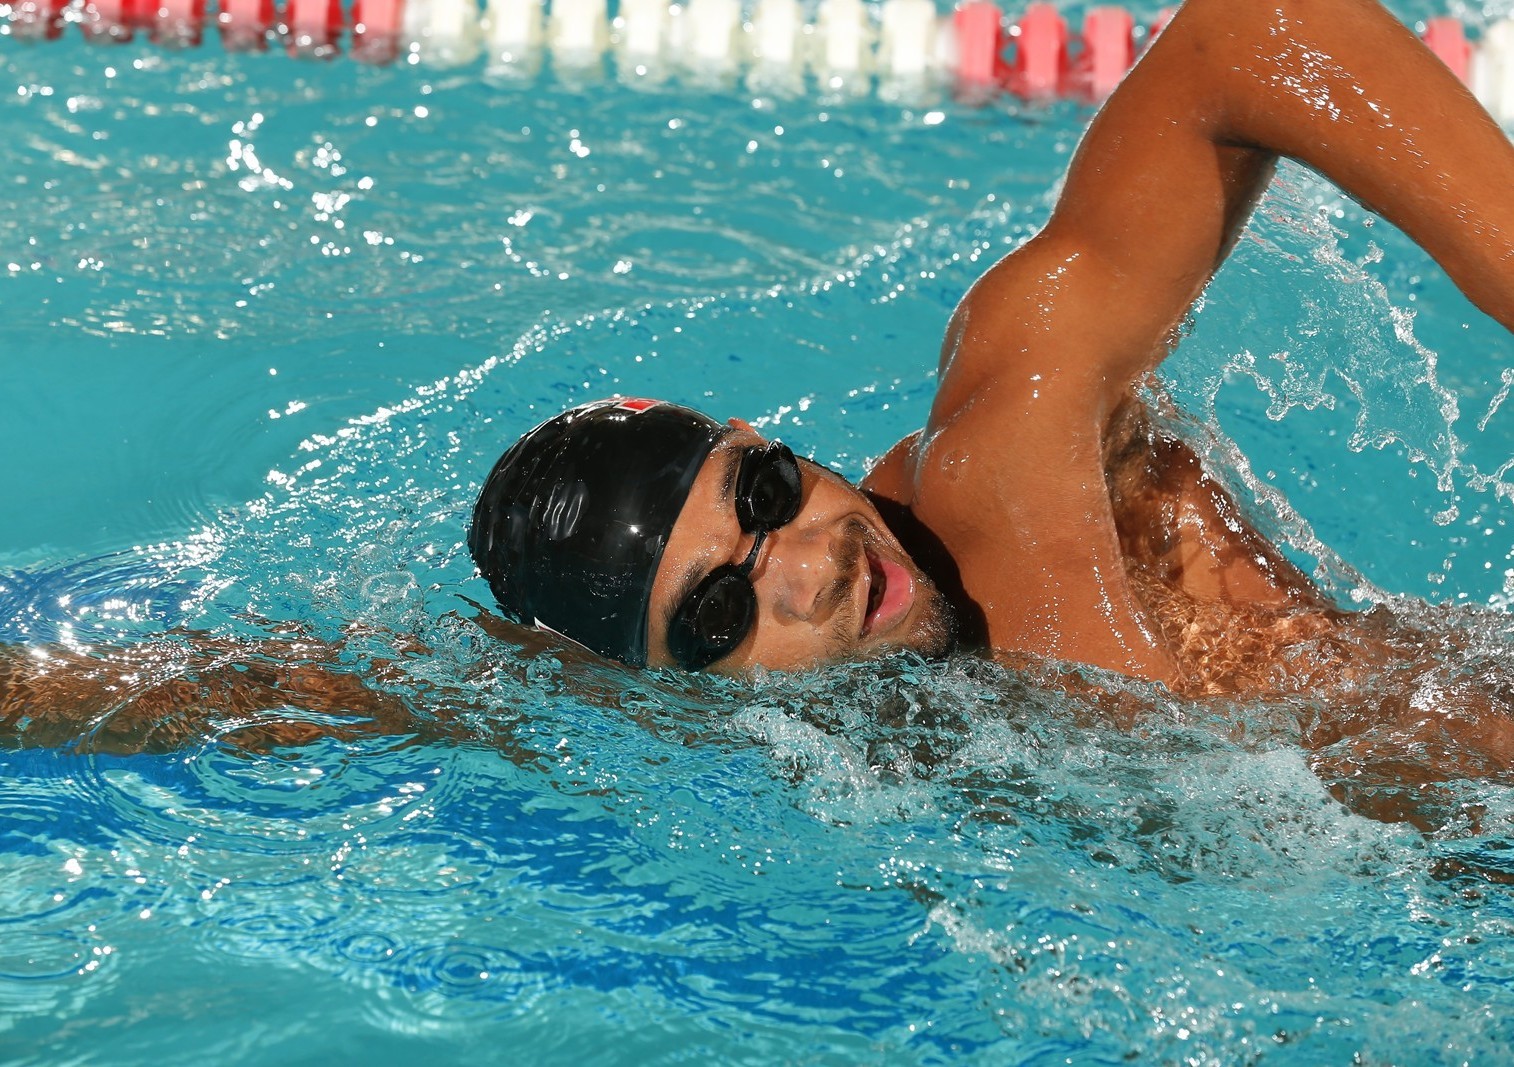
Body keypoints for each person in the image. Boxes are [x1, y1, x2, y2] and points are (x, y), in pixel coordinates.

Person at [471, 0, 1514, 704]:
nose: (806, 562)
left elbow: (1246, 32)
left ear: (762, 438)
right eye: (715, 610)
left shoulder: (1005, 463)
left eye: (762, 491)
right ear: (676, 691)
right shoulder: (863, 734)